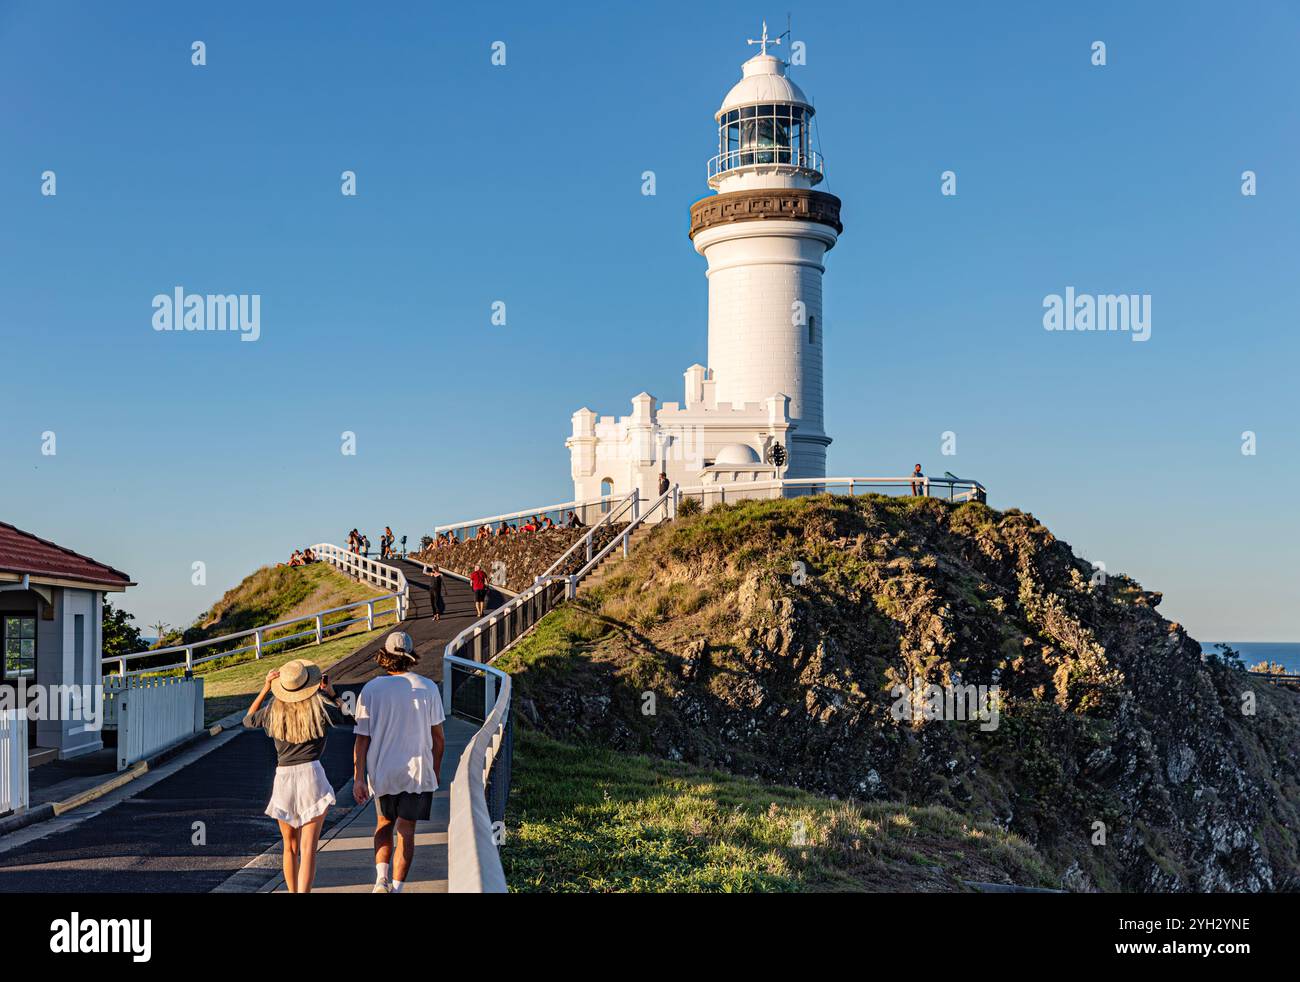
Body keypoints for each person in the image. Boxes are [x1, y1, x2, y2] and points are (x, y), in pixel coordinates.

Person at [352, 632, 446, 894]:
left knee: (383, 825)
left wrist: (359, 777)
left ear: (385, 655)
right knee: (406, 832)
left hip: (383, 771)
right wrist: (434, 772)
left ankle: (380, 880)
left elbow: (361, 740)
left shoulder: (370, 689)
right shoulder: (428, 687)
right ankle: (396, 889)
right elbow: (438, 739)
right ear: (410, 656)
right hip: (417, 774)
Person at [244, 659, 347, 894]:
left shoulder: (273, 711)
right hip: (312, 775)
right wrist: (332, 693)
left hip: (284, 779)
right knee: (308, 848)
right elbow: (347, 716)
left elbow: (248, 719)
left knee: (289, 847)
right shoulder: (320, 708)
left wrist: (265, 688)